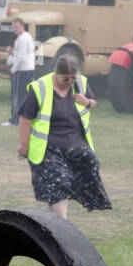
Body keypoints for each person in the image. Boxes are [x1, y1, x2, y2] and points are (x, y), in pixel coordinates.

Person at [18, 54, 110, 219]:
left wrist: (87, 103)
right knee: (59, 181)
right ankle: (62, 224)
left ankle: (62, 214)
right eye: (65, 79)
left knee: (91, 163)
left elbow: (93, 102)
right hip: (48, 148)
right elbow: (25, 118)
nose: (69, 82)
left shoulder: (81, 83)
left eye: (72, 78)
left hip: (76, 145)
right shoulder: (40, 87)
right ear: (56, 74)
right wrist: (24, 146)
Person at [3, 17, 35, 126]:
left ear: (22, 26)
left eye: (16, 27)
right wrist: (12, 53)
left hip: (22, 70)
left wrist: (13, 69)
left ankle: (15, 120)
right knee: (24, 96)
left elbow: (21, 58)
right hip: (28, 69)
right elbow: (19, 54)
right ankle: (24, 119)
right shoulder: (26, 37)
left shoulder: (22, 39)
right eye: (13, 27)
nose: (14, 29)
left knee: (17, 96)